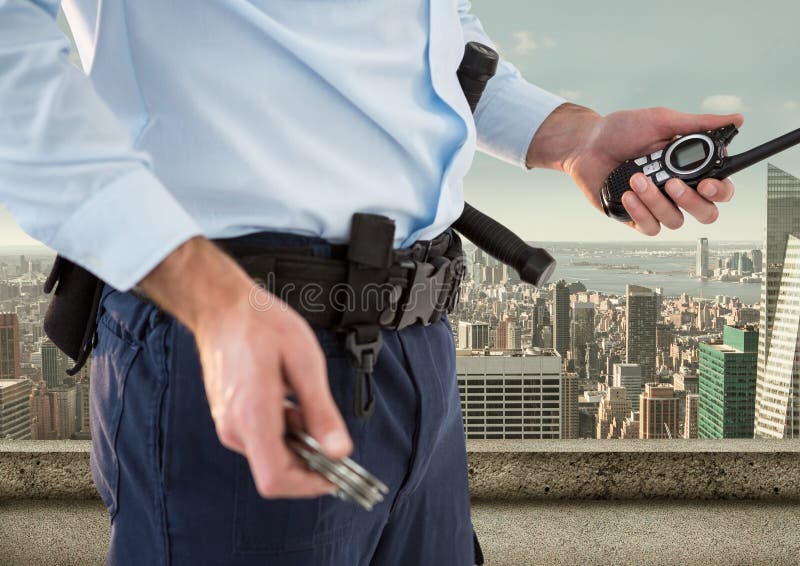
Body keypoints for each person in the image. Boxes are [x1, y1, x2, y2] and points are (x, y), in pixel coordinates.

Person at [0, 1, 741, 564]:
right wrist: (204, 292)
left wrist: (570, 133)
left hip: (418, 354)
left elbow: (429, 47)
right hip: (234, 338)